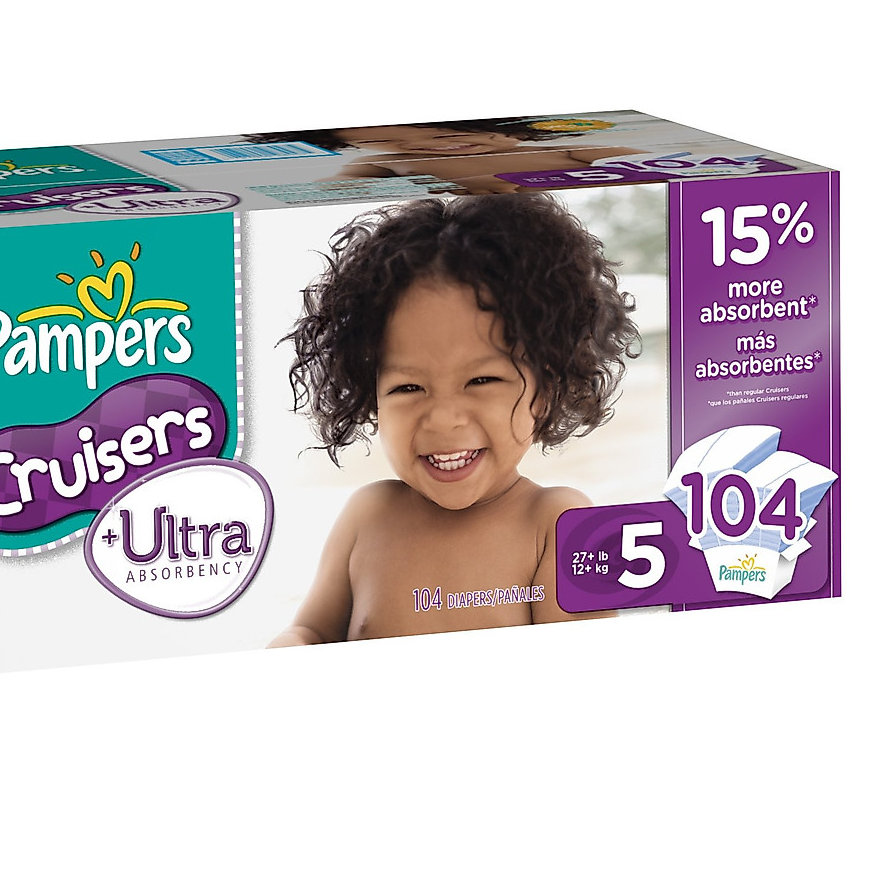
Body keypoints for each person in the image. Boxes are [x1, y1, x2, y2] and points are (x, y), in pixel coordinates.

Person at [269, 193, 637, 646]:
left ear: (549, 387)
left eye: (481, 380)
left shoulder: (557, 523)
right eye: (408, 387)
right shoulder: (368, 515)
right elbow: (310, 630)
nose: (443, 421)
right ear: (370, 394)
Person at [246, 118, 641, 194]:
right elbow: (325, 189)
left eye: (447, 132)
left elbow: (650, 169)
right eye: (390, 141)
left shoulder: (563, 148)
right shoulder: (384, 163)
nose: (436, 146)